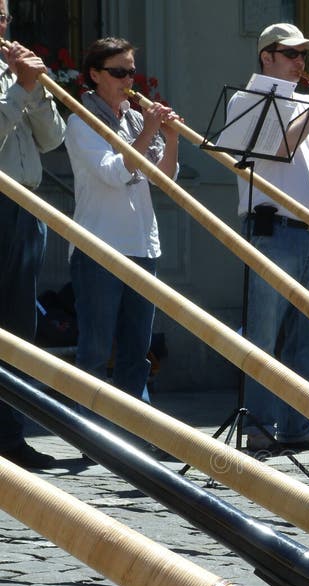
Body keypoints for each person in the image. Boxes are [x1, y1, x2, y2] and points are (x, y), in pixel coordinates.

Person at [228, 23, 309, 453]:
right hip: (272, 230)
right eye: (292, 54)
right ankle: (259, 426)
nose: (301, 63)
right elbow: (278, 151)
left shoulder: (308, 102)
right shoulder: (248, 101)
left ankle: (300, 425)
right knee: (263, 335)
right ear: (267, 56)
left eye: (304, 56)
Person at [65, 37, 179, 410]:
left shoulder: (133, 118)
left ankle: (134, 438)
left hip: (142, 245)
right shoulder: (80, 120)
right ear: (95, 74)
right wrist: (148, 132)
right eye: (118, 72)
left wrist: (171, 138)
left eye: (131, 71)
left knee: (137, 352)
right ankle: (90, 434)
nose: (128, 80)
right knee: (95, 352)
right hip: (98, 247)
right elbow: (113, 173)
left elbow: (163, 180)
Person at [0, 3, 66, 468]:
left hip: (26, 201)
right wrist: (21, 89)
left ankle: (9, 434)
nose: (0, 25)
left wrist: (36, 90)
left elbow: (52, 140)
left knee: (20, 326)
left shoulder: (13, 71)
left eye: (3, 16)